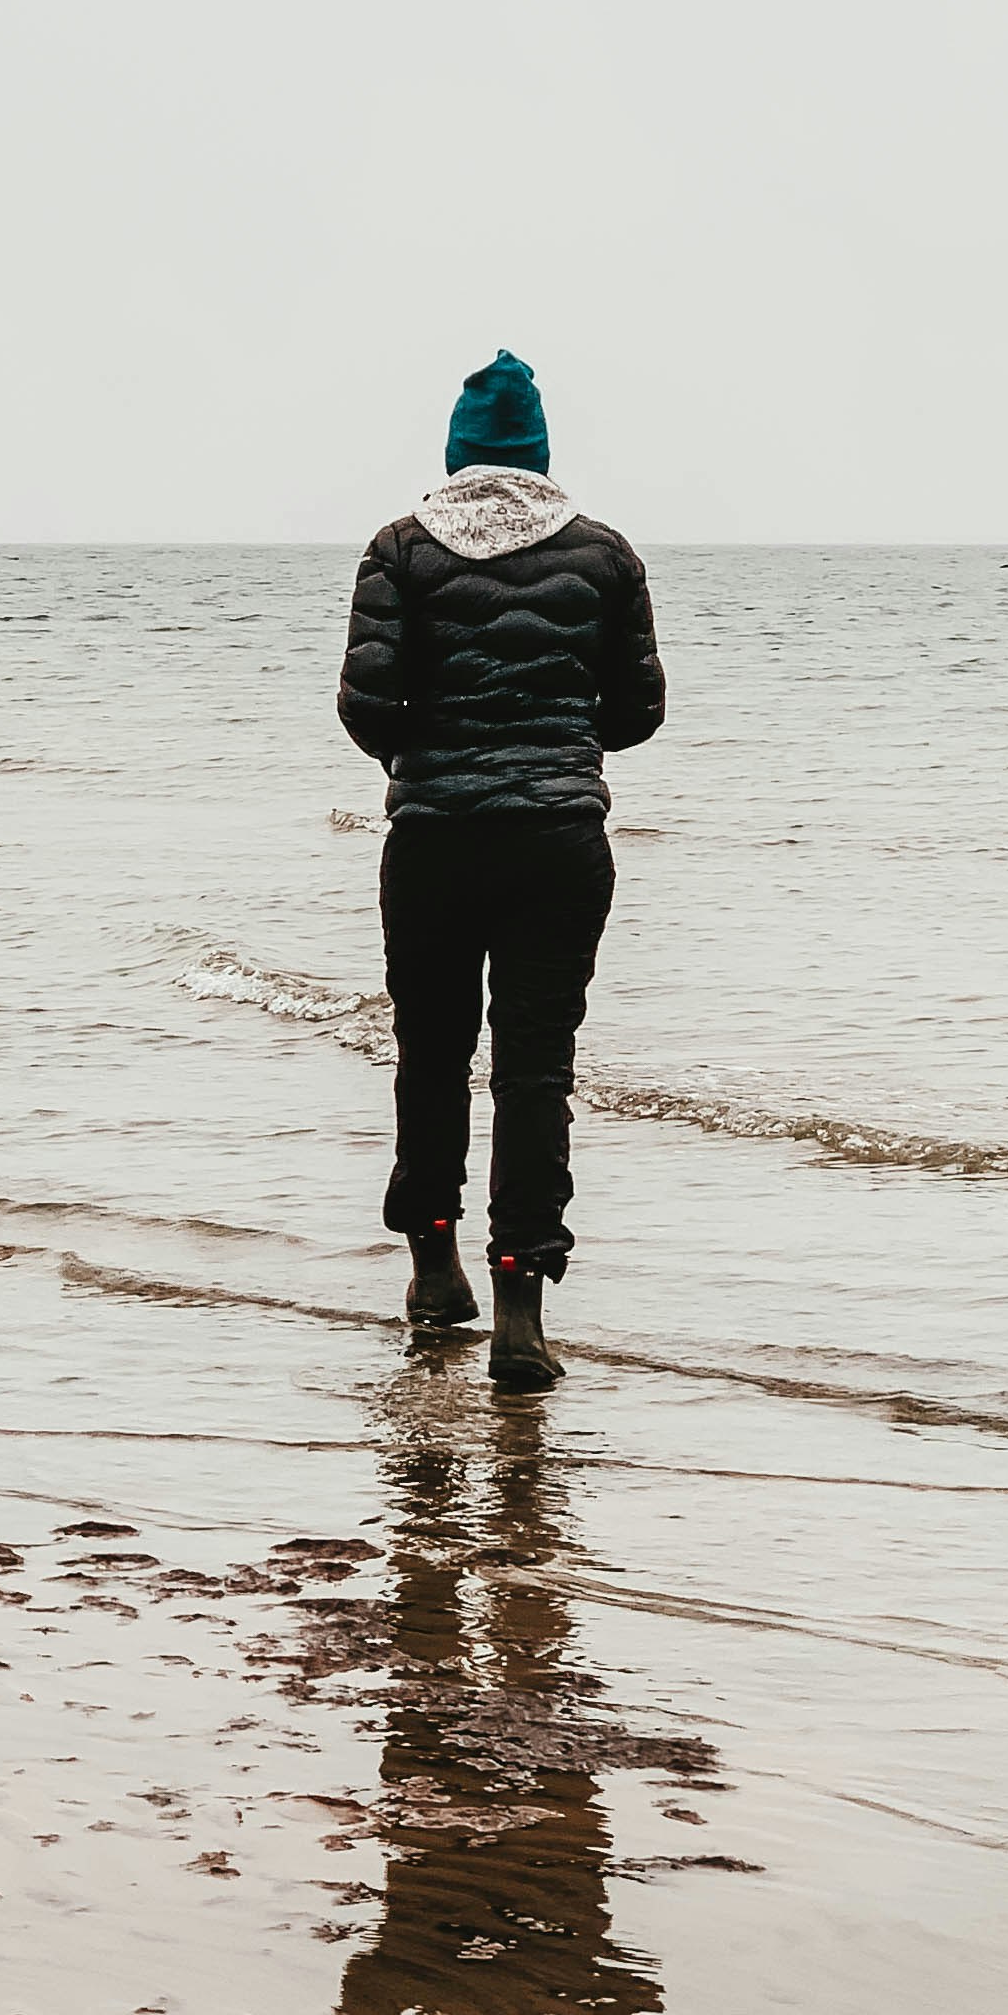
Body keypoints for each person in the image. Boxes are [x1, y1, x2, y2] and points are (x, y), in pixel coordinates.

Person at [338, 350, 665, 1388]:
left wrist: (418, 746)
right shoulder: (604, 555)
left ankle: (434, 1272)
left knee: (430, 1056)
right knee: (536, 1071)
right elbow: (640, 711)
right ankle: (522, 1314)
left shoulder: (398, 549)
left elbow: (363, 704)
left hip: (432, 839)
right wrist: (564, 738)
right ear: (539, 458)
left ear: (455, 457)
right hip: (557, 841)